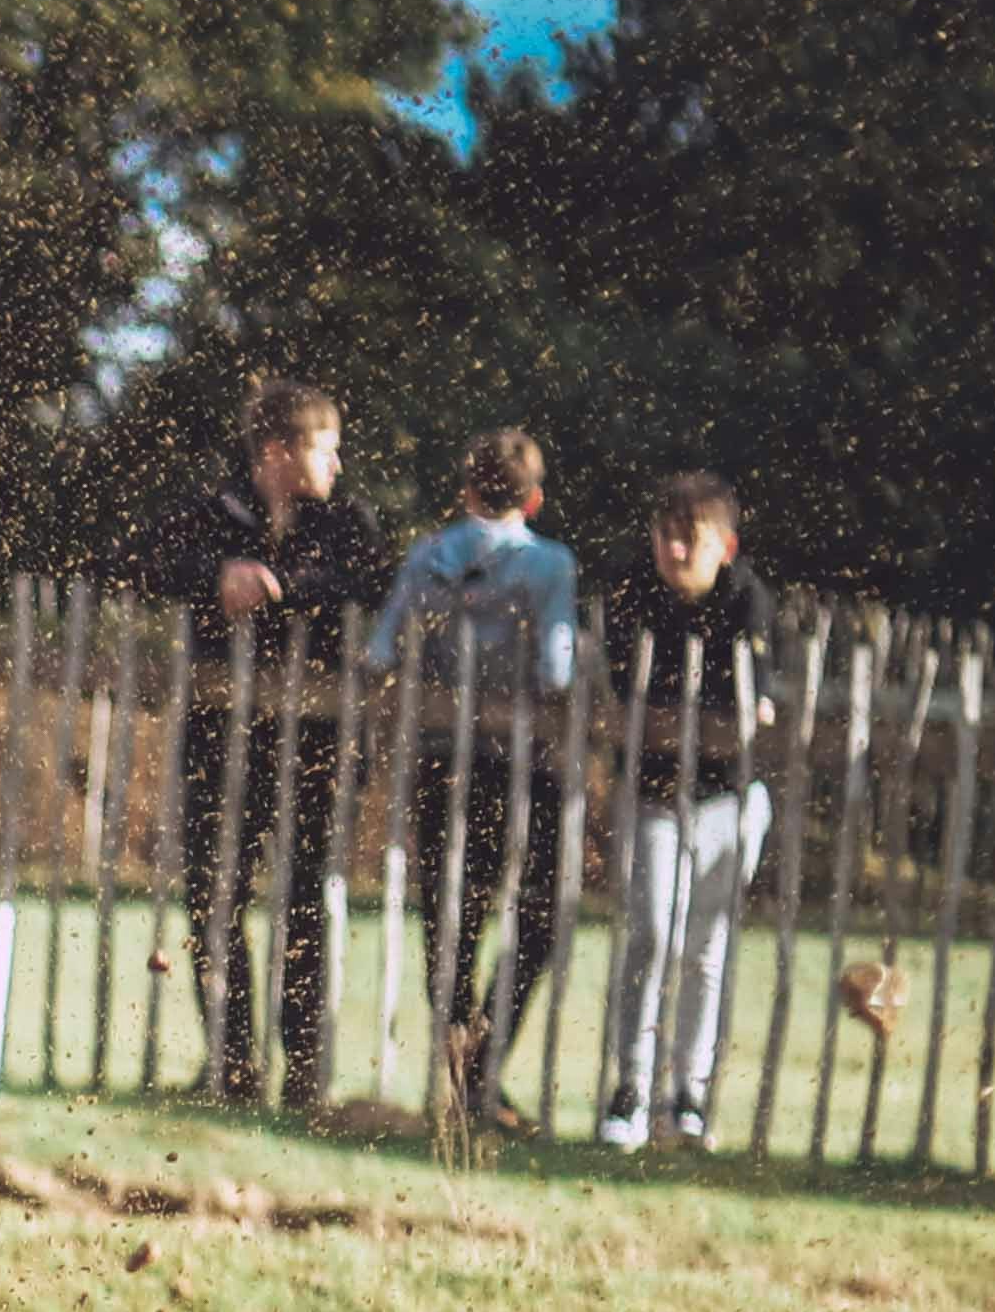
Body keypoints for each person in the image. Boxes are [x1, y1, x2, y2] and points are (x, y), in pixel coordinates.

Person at [145, 375, 396, 1112]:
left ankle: (303, 1069)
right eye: (326, 448)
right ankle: (229, 1063)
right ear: (279, 452)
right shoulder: (210, 514)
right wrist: (216, 575)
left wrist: (281, 582)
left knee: (304, 903)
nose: (338, 464)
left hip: (317, 743)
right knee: (212, 899)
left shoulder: (348, 522)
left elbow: (374, 584)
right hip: (219, 740)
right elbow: (143, 561)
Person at [368, 429, 589, 1135]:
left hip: (440, 755)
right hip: (523, 763)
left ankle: (467, 1078)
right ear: (534, 498)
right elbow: (556, 673)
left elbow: (381, 649)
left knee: (449, 917)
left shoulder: (427, 555)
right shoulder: (550, 564)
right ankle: (481, 1071)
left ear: (465, 491)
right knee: (537, 916)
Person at [597, 472, 771, 1151]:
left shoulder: (748, 598)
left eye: (690, 537)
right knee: (651, 935)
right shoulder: (632, 591)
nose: (673, 549)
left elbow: (760, 691)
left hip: (729, 798)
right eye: (665, 533)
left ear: (723, 545)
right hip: (654, 795)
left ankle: (688, 1094)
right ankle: (630, 1088)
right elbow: (621, 682)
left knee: (705, 948)